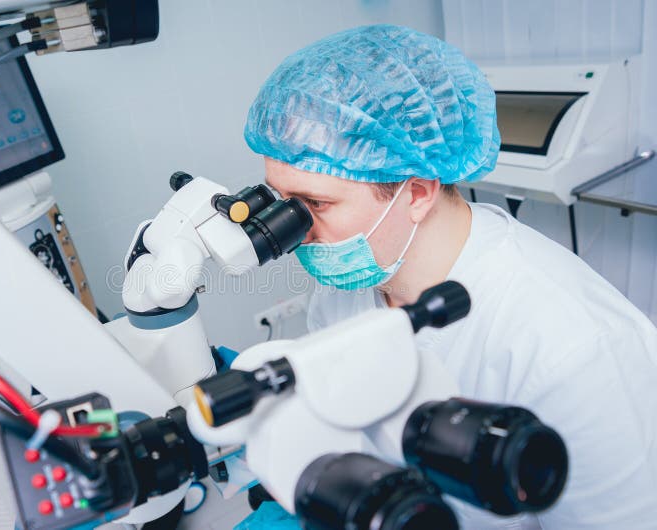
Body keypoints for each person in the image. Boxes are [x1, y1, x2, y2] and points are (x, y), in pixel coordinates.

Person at [243, 25, 657, 529]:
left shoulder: (575, 348)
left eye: (315, 203)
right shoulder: (344, 290)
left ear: (417, 194)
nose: (296, 229)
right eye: (282, 200)